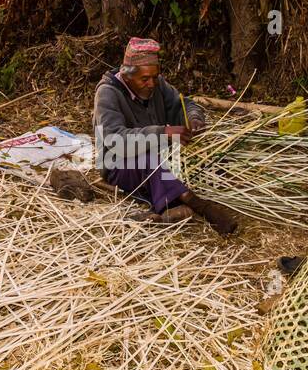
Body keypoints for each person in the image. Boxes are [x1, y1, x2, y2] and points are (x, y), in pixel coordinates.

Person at [92, 37, 239, 234]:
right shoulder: (108, 93)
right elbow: (115, 140)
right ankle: (194, 203)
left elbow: (184, 104)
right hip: (119, 165)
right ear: (126, 76)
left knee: (210, 151)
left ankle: (176, 198)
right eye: (144, 79)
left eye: (154, 77)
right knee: (149, 159)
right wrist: (163, 132)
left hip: (160, 156)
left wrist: (193, 119)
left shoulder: (156, 84)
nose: (151, 83)